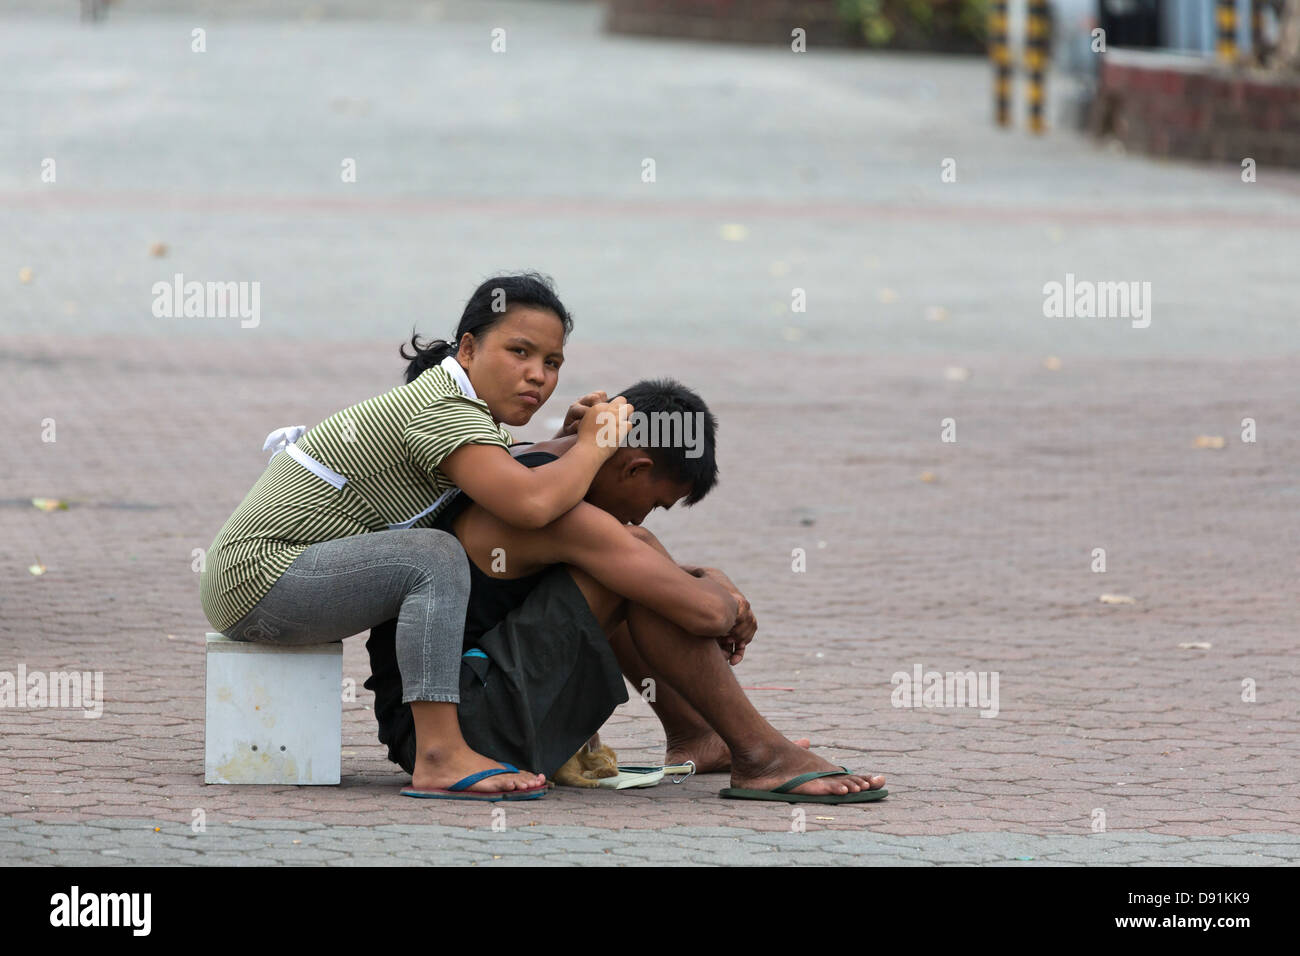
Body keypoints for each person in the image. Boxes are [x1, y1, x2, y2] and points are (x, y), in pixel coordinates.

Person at [199, 272, 634, 800]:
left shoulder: (465, 411)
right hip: (261, 580)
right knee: (434, 557)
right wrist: (595, 444)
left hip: (273, 579)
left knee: (435, 553)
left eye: (551, 363)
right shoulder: (438, 407)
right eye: (519, 351)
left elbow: (509, 476)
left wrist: (565, 440)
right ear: (469, 349)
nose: (537, 376)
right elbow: (532, 502)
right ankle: (439, 755)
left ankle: (444, 748)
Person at [365, 379, 888, 804]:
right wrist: (724, 597)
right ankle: (762, 756)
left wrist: (712, 581)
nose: (642, 515)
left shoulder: (537, 467)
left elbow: (675, 583)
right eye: (655, 501)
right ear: (635, 466)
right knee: (633, 572)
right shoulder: (557, 511)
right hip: (456, 736)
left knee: (633, 567)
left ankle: (700, 737)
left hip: (445, 714)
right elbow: (704, 614)